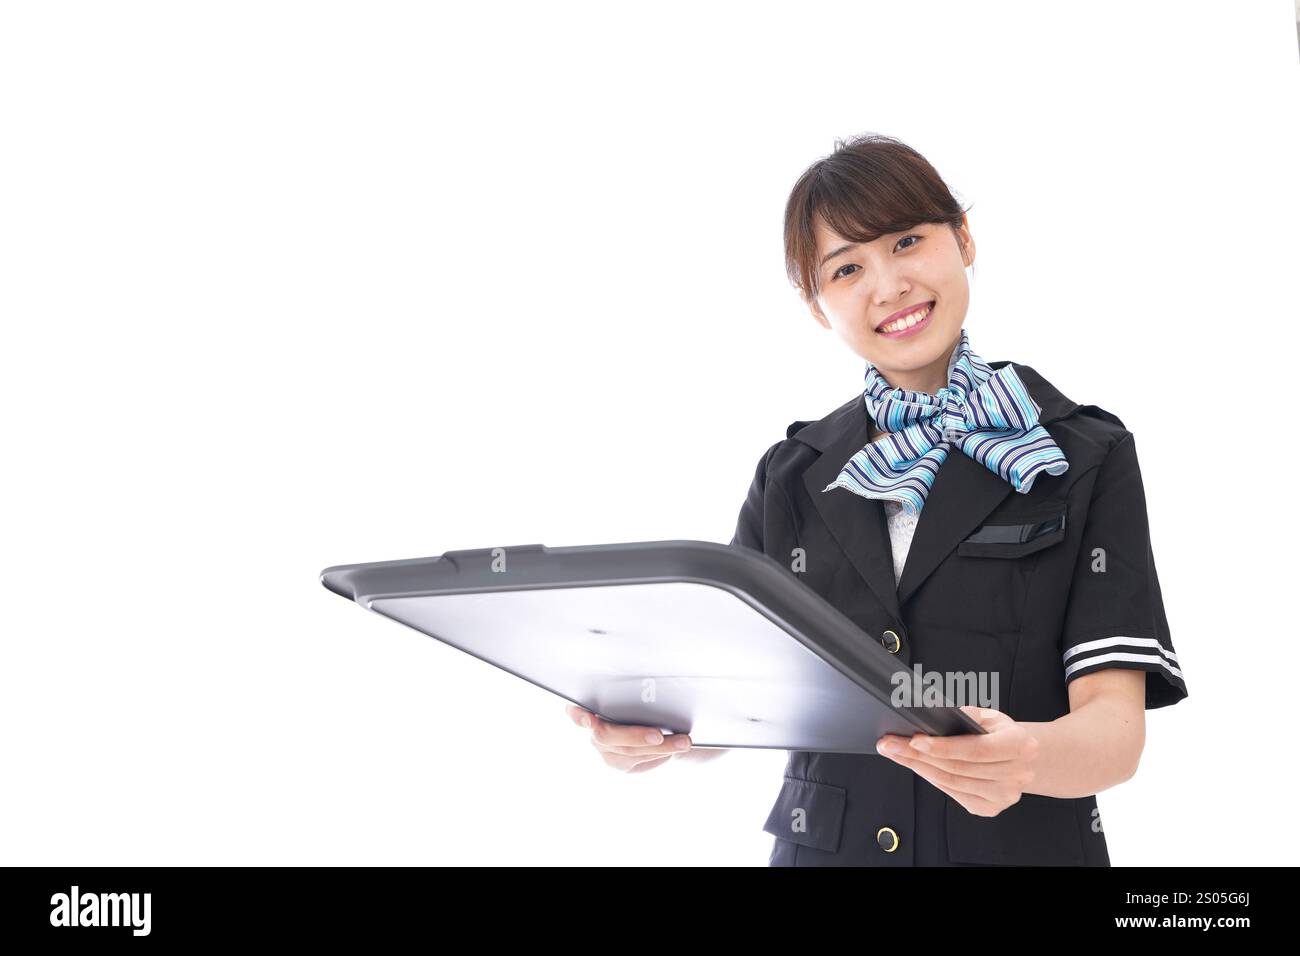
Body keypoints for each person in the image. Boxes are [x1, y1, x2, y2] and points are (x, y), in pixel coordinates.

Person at [567, 132, 1187, 865]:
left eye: (907, 241)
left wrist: (1029, 757)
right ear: (816, 305)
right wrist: (652, 741)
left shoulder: (1082, 453)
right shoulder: (791, 474)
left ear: (963, 238)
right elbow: (732, 705)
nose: (887, 285)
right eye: (847, 268)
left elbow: (1115, 730)